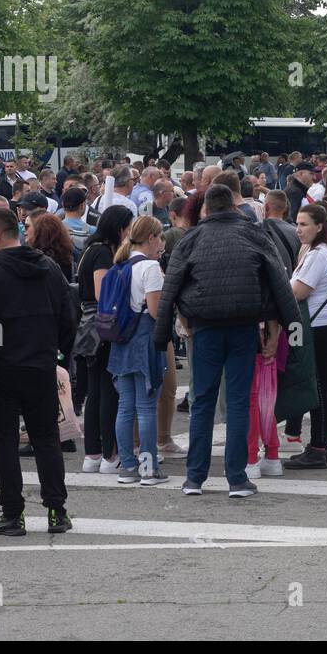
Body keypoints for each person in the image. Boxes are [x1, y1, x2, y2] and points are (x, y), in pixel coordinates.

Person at [153, 184, 298, 497]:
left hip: (204, 327)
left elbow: (171, 289)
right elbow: (278, 282)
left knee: (202, 401)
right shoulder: (254, 235)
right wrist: (287, 327)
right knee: (238, 401)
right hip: (244, 326)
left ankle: (195, 478)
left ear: (206, 209)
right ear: (234, 207)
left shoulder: (190, 239)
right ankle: (236, 478)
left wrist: (163, 332)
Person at [0, 207, 75, 534]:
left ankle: (12, 513)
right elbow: (67, 317)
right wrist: (56, 353)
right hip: (40, 365)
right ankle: (56, 510)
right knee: (47, 439)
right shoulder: (49, 269)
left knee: (4, 442)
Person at [283, 202, 327, 470]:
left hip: (319, 326)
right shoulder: (323, 250)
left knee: (319, 387)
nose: (298, 229)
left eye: (304, 224)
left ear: (320, 226)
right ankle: (321, 444)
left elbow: (298, 292)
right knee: (326, 385)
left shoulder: (319, 253)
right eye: (297, 223)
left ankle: (319, 446)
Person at [106, 216, 168, 485]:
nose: (162, 243)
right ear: (152, 238)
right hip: (144, 339)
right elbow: (155, 310)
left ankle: (128, 467)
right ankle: (148, 469)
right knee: (146, 407)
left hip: (121, 340)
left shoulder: (119, 264)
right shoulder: (151, 267)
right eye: (161, 237)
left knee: (125, 407)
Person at [77, 206, 133, 474]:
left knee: (96, 392)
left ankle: (94, 453)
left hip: (91, 328)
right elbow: (102, 294)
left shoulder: (92, 249)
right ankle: (109, 454)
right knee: (106, 391)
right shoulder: (102, 252)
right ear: (119, 228)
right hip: (103, 327)